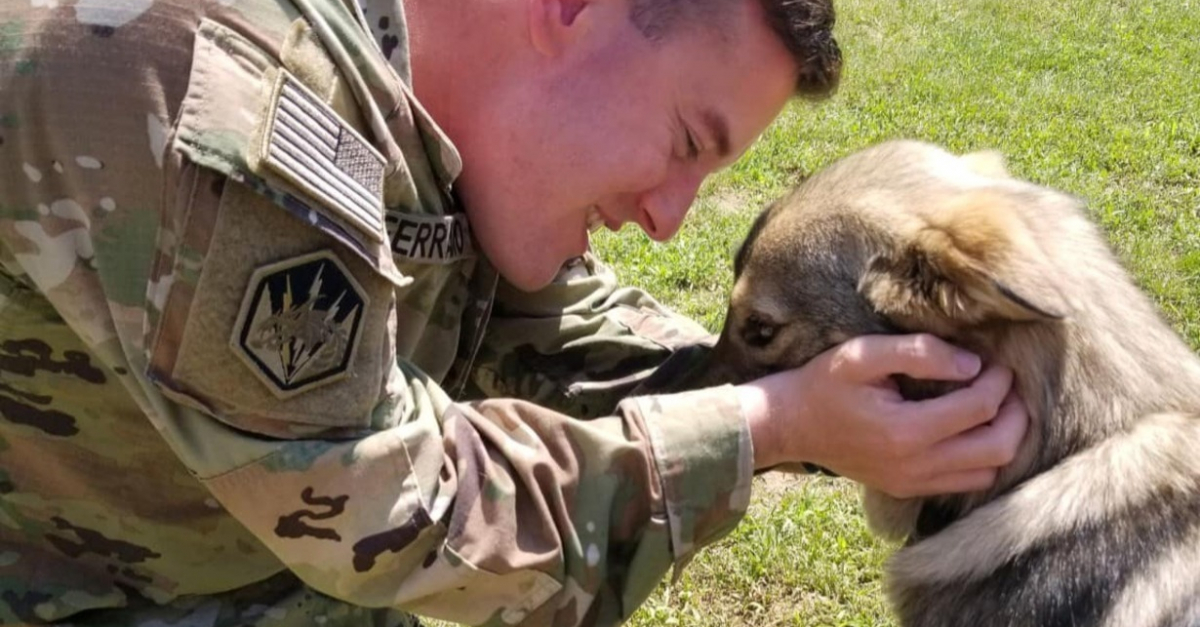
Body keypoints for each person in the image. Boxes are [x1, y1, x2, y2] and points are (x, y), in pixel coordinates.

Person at [0, 0, 1026, 625]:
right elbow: (395, 516)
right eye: (684, 143)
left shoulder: (436, 91)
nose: (669, 221)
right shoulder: (219, 94)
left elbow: (538, 324)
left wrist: (836, 394)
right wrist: (778, 423)